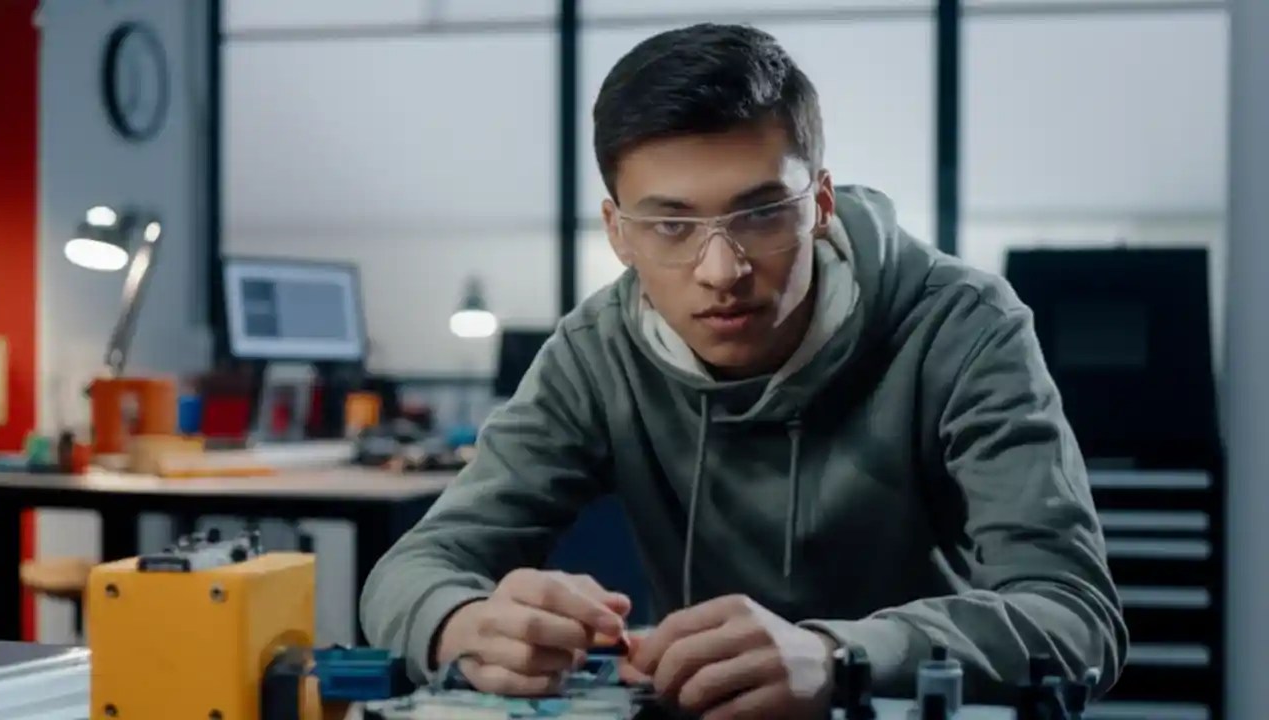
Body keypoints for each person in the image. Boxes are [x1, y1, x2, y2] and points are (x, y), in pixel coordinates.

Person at [361, 22, 1127, 719]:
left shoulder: (963, 325)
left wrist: (838, 656)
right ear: (617, 234)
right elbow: (411, 570)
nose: (720, 271)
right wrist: (465, 625)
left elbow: (1075, 616)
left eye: (761, 213)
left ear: (819, 203)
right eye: (671, 224)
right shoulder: (595, 352)